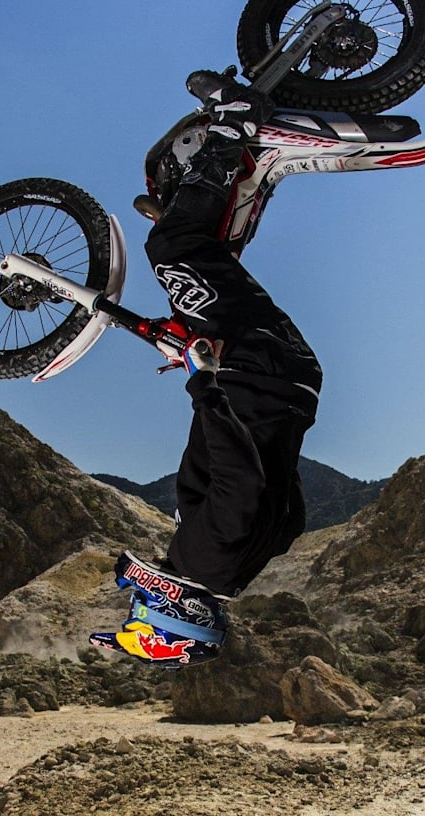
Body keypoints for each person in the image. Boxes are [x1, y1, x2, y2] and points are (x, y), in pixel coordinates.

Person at [89, 70, 324, 668]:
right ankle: (234, 126)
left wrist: (250, 410)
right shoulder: (201, 561)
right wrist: (207, 384)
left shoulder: (238, 571)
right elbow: (240, 479)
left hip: (290, 382)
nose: (133, 619)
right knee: (172, 252)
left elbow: (290, 511)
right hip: (254, 366)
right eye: (143, 633)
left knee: (195, 293)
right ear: (174, 621)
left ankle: (191, 202)